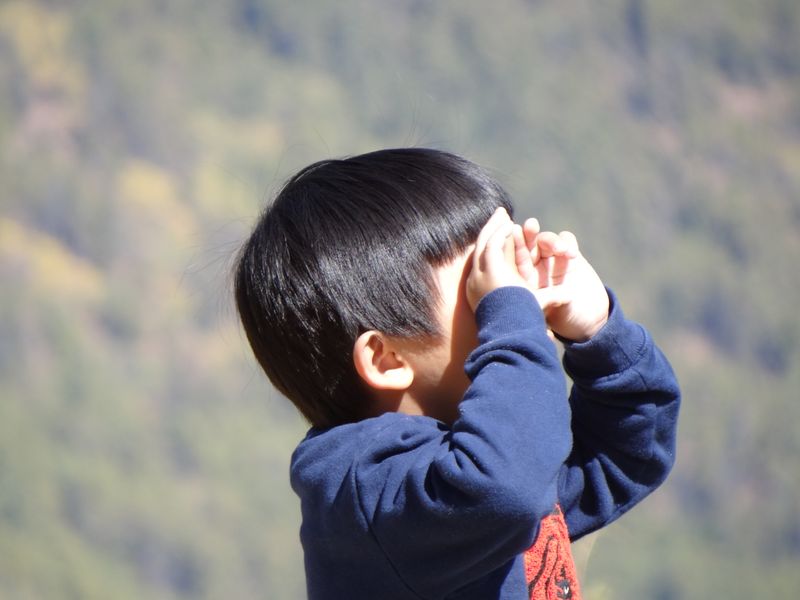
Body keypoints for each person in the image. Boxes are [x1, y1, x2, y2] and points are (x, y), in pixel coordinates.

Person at [234, 148, 680, 599]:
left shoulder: (489, 458)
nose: (518, 294)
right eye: (480, 287)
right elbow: (505, 489)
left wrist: (598, 332)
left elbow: (627, 457)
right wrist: (512, 321)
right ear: (387, 359)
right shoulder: (372, 495)